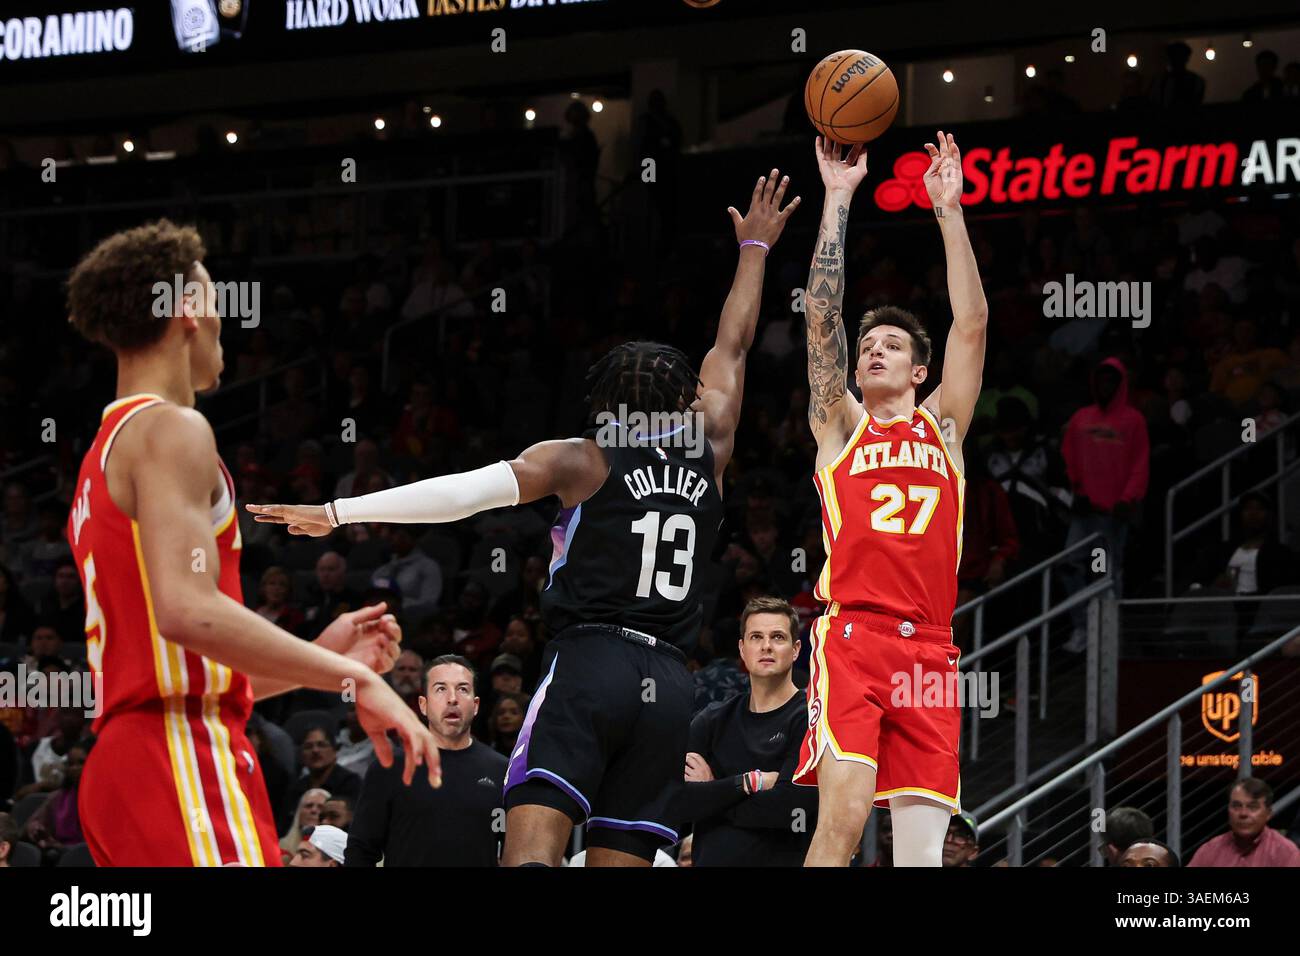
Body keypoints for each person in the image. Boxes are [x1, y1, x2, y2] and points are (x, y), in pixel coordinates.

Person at [250, 171, 801, 867]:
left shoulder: (580, 458)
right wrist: (754, 246)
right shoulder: (712, 441)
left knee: (532, 856)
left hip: (591, 663)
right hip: (670, 685)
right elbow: (735, 344)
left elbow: (462, 494)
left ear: (605, 400)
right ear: (684, 398)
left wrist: (337, 511)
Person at [63, 219, 438, 866]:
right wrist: (354, 675)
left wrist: (316, 656)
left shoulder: (102, 458)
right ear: (186, 308)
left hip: (125, 766)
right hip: (180, 755)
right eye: (212, 298)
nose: (222, 323)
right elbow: (188, 610)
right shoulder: (173, 430)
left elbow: (176, 667)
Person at [796, 133, 985, 867]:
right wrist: (838, 199)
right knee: (839, 827)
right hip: (854, 640)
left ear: (919, 369)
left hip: (931, 650)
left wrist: (949, 211)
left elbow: (972, 325)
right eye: (867, 342)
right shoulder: (840, 425)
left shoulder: (943, 428)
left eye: (891, 345)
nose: (872, 349)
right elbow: (820, 318)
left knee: (920, 858)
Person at [677, 597, 816, 866]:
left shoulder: (811, 718)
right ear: (742, 649)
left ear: (796, 649)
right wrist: (750, 783)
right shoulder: (711, 719)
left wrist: (712, 791)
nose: (766, 646)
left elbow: (788, 809)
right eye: (756, 637)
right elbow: (678, 803)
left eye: (777, 637)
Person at [347, 655, 508, 867]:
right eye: (441, 689)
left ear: (476, 705)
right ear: (423, 705)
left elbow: (510, 850)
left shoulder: (502, 770)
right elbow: (361, 850)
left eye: (462, 689)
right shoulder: (391, 766)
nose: (452, 698)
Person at [1058, 358, 1149, 651]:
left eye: (1111, 380)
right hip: (1085, 512)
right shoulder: (1081, 418)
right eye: (1101, 380)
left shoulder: (1133, 420)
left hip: (1113, 514)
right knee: (1070, 566)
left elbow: (1140, 463)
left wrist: (1128, 499)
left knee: (1108, 572)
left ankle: (1110, 637)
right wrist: (1077, 489)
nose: (1105, 385)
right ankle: (1082, 628)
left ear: (1121, 384)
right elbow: (1069, 456)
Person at [1187, 778, 1300, 867]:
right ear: (1228, 810)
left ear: (1268, 814)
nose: (1243, 813)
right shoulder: (1210, 850)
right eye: (1236, 806)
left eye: (1252, 807)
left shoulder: (1286, 853)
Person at [282, 726, 363, 832]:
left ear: (335, 751)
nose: (315, 750)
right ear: (301, 754)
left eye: (322, 745)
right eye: (308, 746)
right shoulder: (296, 788)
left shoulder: (351, 783)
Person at [280, 787, 329, 859]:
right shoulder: (279, 847)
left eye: (320, 807)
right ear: (298, 812)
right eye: (308, 806)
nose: (314, 810)